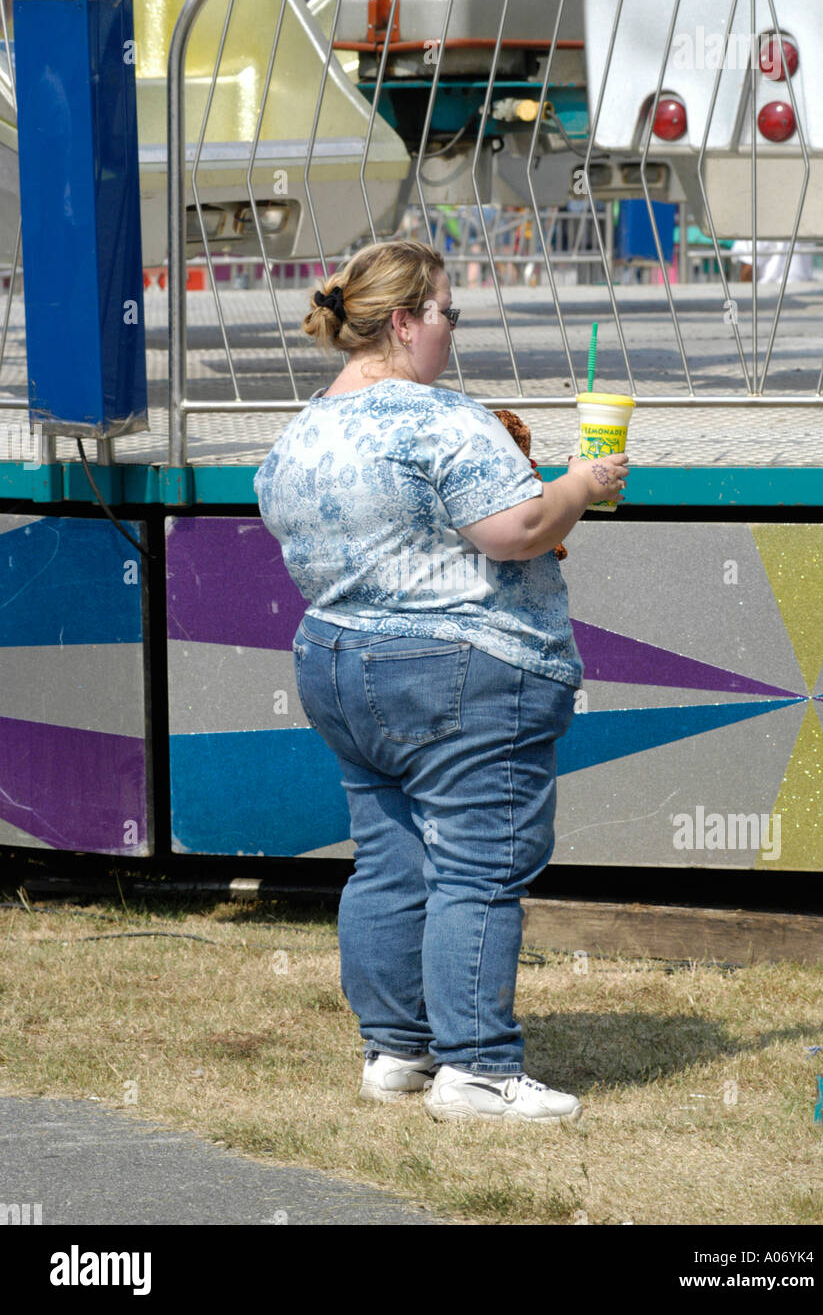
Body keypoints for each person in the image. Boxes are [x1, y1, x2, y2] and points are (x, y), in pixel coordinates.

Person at [253, 238, 628, 1124]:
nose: (454, 329)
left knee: (388, 863)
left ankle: (397, 1050)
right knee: (481, 866)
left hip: (336, 664)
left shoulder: (300, 431)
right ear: (404, 320)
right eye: (449, 312)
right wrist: (581, 482)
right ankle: (479, 1071)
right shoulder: (440, 418)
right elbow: (517, 529)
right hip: (464, 669)